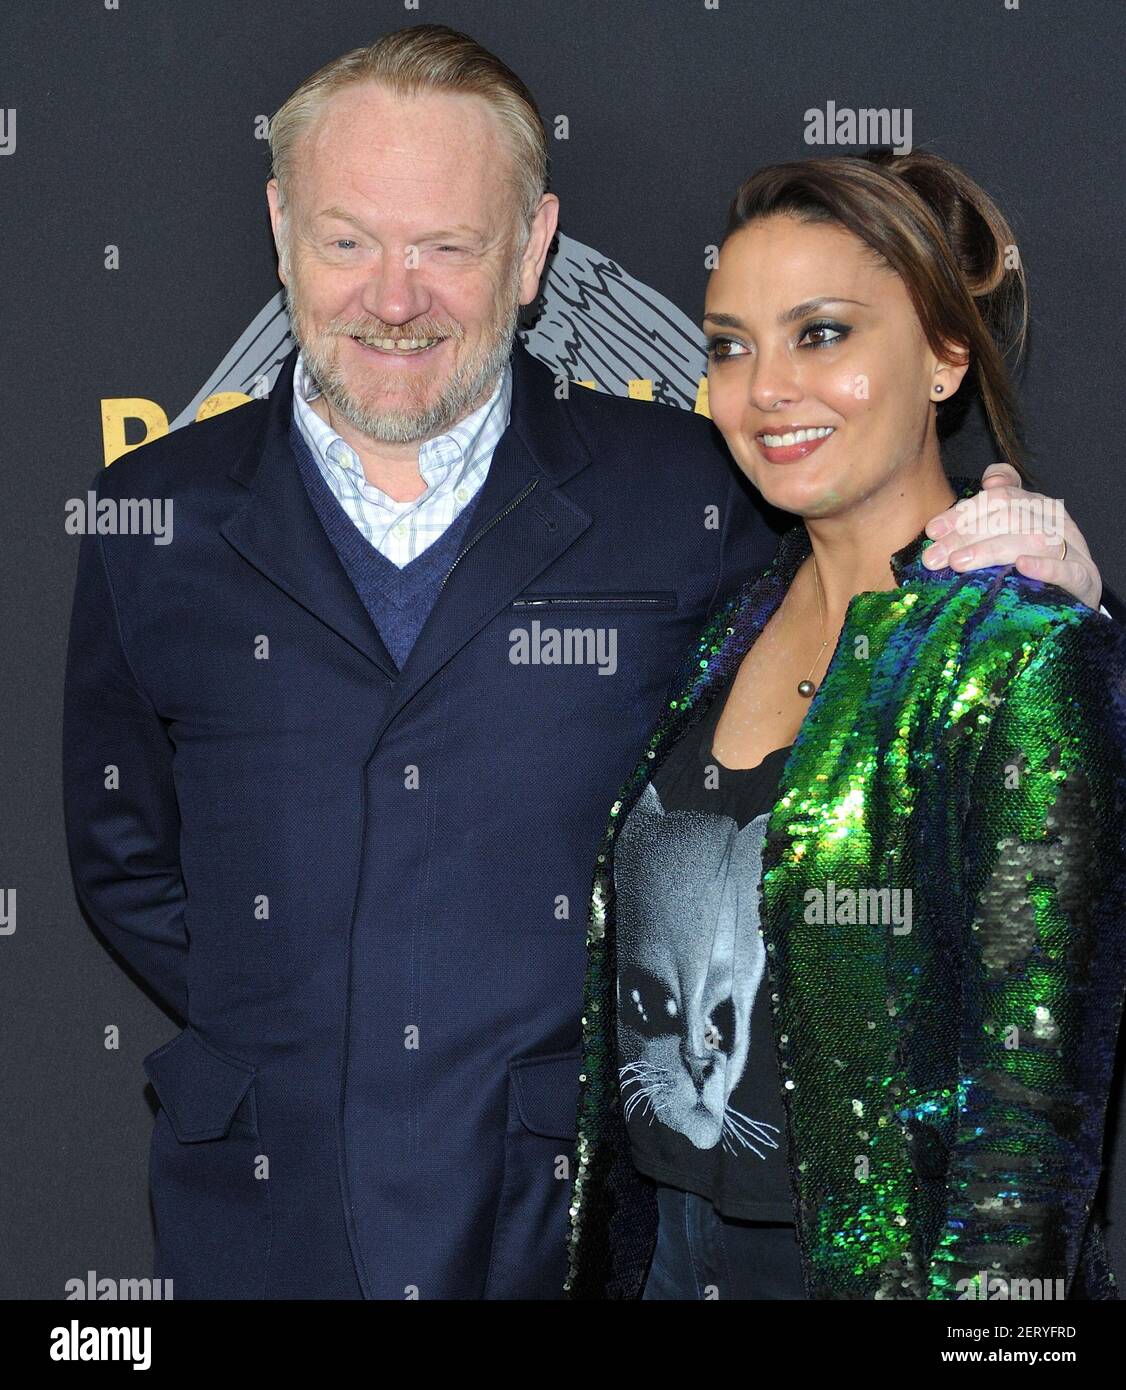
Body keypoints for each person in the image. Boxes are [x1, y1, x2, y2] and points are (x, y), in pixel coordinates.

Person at [62, 26, 1107, 1300]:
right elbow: (128, 856)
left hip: (570, 1233)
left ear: (532, 249)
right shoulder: (148, 514)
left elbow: (1024, 1084)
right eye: (348, 240)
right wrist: (296, 1015)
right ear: (282, 229)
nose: (394, 296)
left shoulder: (691, 497)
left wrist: (1032, 565)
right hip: (259, 1219)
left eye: (447, 244)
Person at [565, 148, 1126, 1301]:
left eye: (821, 333)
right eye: (730, 344)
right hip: (668, 1254)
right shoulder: (733, 616)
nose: (765, 385)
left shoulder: (1023, 646)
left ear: (943, 355)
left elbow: (1031, 1126)